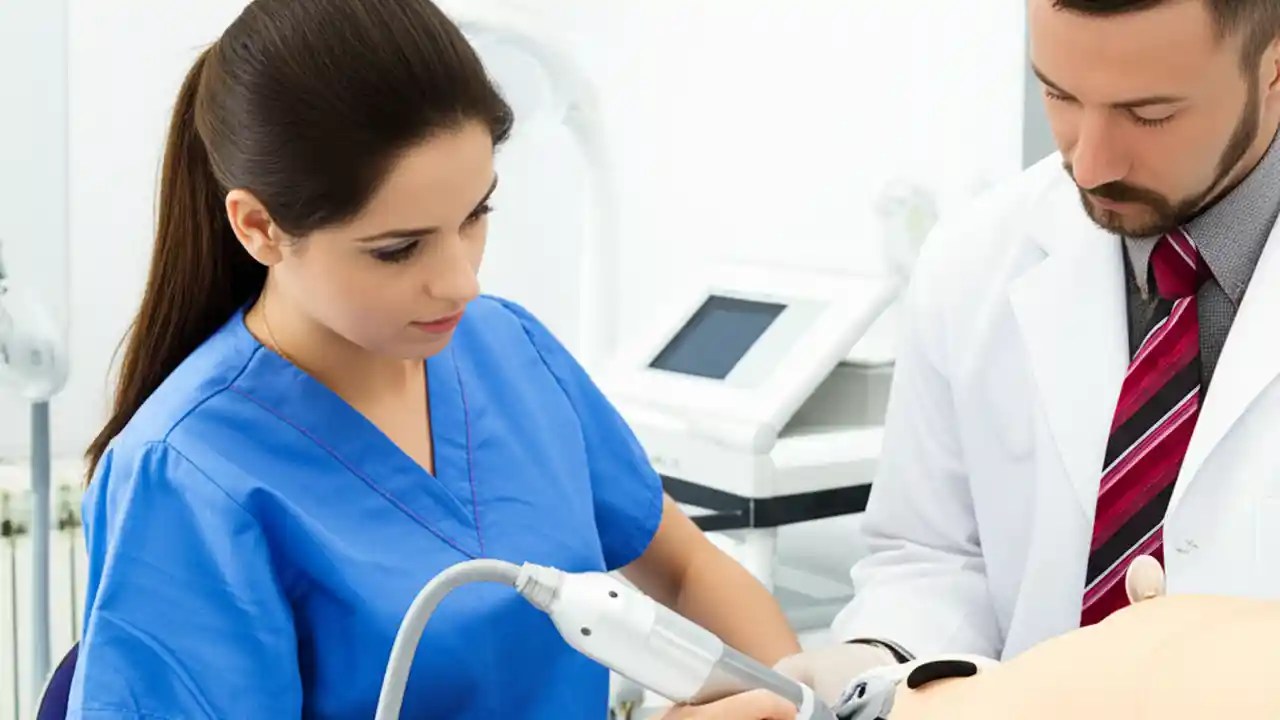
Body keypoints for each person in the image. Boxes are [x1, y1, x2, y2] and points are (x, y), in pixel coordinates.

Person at [66, 1, 801, 718]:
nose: (461, 282)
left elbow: (685, 568)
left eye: (476, 214)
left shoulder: (508, 349)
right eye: (398, 249)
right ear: (260, 227)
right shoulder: (186, 475)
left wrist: (802, 700)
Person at [776, 0, 1280, 706]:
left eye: (1150, 114)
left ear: (1273, 65)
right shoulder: (974, 256)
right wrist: (875, 667)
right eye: (1059, 95)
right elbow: (933, 558)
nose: (1091, 165)